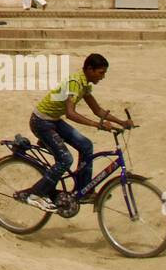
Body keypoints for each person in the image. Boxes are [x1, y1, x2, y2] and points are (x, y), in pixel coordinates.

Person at [24, 53, 134, 212]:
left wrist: (121, 122)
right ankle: (35, 194)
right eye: (100, 72)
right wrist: (98, 125)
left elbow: (97, 110)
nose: (102, 77)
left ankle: (84, 191)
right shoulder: (75, 82)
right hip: (41, 122)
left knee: (86, 145)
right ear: (90, 69)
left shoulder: (85, 84)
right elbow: (70, 113)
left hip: (53, 120)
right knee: (65, 159)